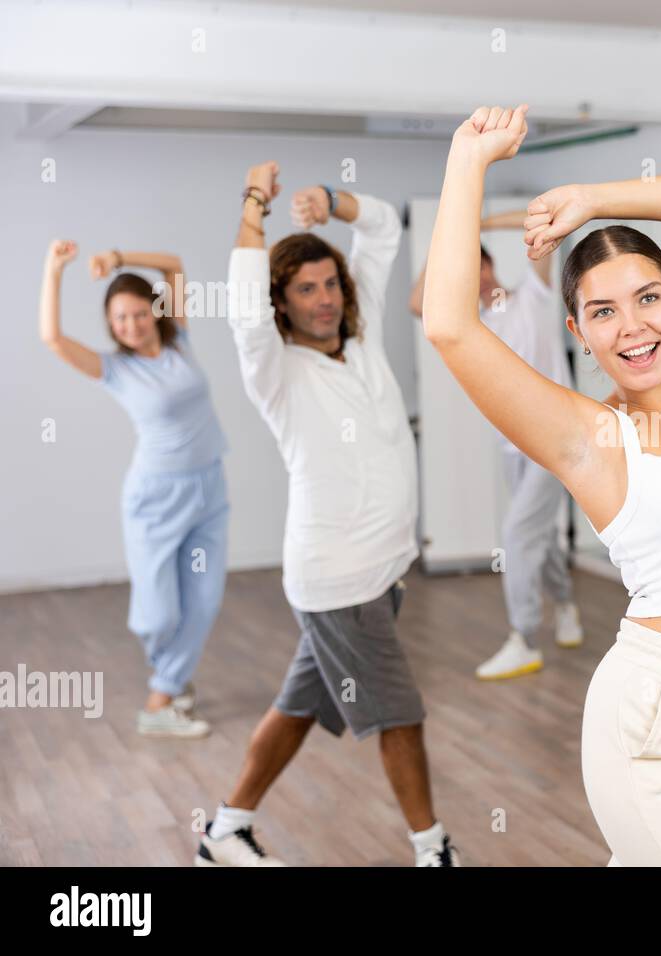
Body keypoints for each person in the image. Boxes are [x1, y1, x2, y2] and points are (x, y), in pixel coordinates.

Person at [421, 104, 661, 866]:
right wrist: (466, 163)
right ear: (580, 334)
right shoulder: (592, 437)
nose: (632, 326)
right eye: (602, 312)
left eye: (646, 297)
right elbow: (449, 326)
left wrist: (594, 200)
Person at [197, 166, 459, 867]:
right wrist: (255, 205)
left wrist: (334, 203)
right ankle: (434, 850)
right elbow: (243, 311)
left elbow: (384, 228)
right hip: (340, 579)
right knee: (400, 716)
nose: (323, 299)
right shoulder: (275, 369)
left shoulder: (362, 333)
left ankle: (225, 829)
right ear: (281, 301)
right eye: (304, 289)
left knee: (299, 708)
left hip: (383, 571)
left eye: (330, 283)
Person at [39, 241, 226, 738]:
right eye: (119, 318)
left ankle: (162, 698)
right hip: (154, 500)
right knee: (159, 611)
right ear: (110, 323)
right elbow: (53, 338)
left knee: (203, 601)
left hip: (209, 490)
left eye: (139, 314)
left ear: (155, 312)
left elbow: (176, 264)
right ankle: (170, 680)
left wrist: (120, 259)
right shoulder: (115, 370)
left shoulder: (179, 341)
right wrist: (55, 270)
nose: (130, 325)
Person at [409, 214, 583, 680]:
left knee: (517, 534)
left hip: (556, 441)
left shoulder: (534, 296)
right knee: (538, 538)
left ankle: (523, 638)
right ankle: (566, 604)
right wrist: (445, 242)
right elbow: (417, 304)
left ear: (491, 266)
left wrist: (479, 222)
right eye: (469, 271)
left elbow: (545, 237)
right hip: (514, 446)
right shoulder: (473, 325)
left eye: (481, 266)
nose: (480, 277)